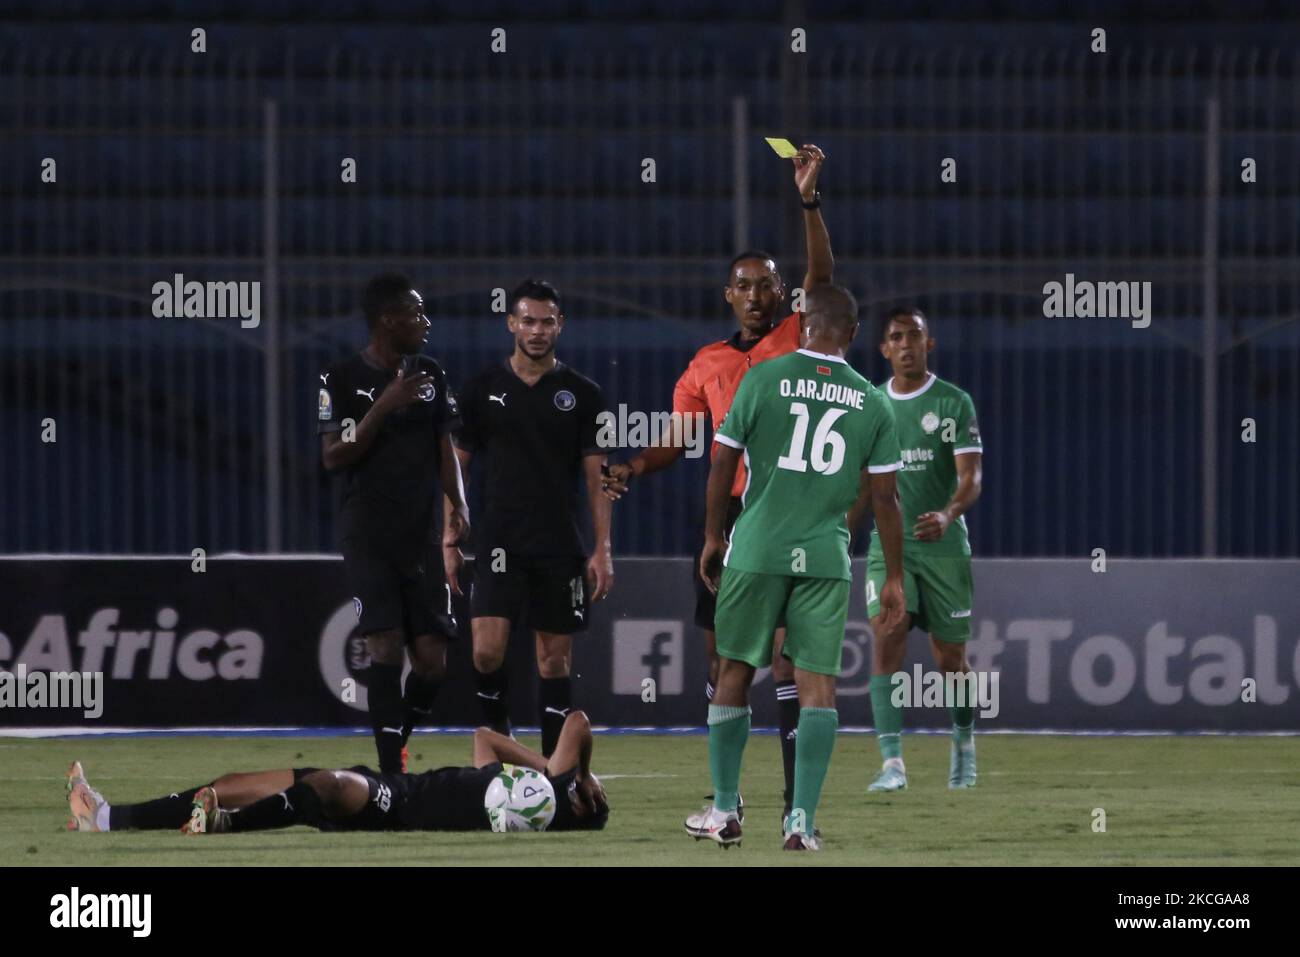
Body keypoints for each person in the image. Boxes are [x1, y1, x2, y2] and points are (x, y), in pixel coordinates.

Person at [604, 145, 832, 821]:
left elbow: (823, 277)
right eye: (746, 285)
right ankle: (728, 797)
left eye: (768, 283)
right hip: (734, 523)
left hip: (792, 515)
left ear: (781, 292)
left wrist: (809, 199)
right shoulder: (705, 363)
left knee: (788, 666)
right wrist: (634, 466)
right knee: (725, 661)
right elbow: (680, 437)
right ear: (728, 294)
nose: (758, 295)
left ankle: (796, 800)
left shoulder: (799, 334)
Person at [684, 284, 906, 851]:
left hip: (757, 550)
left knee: (733, 672)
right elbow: (885, 501)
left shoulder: (762, 377)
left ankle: (726, 811)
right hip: (826, 558)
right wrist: (897, 578)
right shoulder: (873, 401)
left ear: (803, 324)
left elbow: (723, 459)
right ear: (853, 335)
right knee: (818, 689)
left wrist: (713, 536)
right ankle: (801, 822)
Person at [446, 279, 613, 756]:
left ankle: (555, 773)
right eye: (528, 320)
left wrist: (602, 548)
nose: (537, 330)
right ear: (511, 323)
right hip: (497, 542)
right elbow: (455, 467)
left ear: (560, 325)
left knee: (553, 659)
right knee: (485, 650)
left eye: (547, 321)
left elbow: (596, 477)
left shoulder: (584, 394)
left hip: (559, 543)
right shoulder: (481, 390)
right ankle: (500, 756)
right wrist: (450, 535)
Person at [319, 273, 470, 774]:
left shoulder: (430, 373)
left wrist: (459, 505)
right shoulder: (338, 379)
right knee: (383, 644)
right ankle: (390, 776)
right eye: (416, 313)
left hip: (420, 535)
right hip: (368, 535)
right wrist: (384, 406)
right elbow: (335, 456)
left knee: (432, 663)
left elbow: (444, 446)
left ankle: (395, 739)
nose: (426, 322)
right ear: (388, 320)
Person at [64, 712, 608, 834]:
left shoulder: (555, 804)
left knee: (323, 788)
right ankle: (108, 818)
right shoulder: (541, 787)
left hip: (396, 806)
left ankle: (226, 824)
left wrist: (573, 775)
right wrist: (561, 770)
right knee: (228, 783)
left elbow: (580, 724)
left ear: (586, 803)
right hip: (392, 784)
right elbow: (484, 737)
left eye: (596, 790)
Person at [864, 308, 984, 792]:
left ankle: (963, 742)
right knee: (888, 635)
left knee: (950, 658)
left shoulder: (954, 402)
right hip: (889, 546)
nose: (907, 343)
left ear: (929, 344)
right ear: (885, 350)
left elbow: (971, 477)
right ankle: (892, 764)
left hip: (943, 546)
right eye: (897, 337)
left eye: (915, 335)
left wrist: (948, 514)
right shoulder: (871, 404)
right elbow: (860, 483)